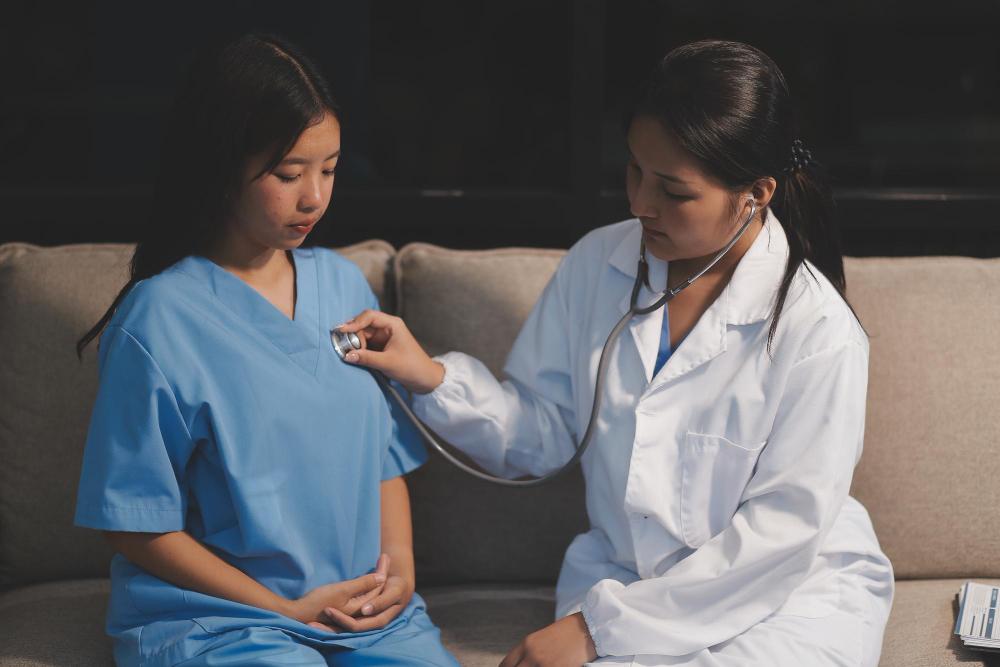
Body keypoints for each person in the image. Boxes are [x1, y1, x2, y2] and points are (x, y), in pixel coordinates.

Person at [336, 40, 894, 667]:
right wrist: (433, 378)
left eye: (673, 192)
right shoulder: (596, 264)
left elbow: (780, 537)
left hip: (785, 596)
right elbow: (546, 433)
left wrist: (595, 631)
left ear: (756, 194)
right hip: (627, 579)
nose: (639, 205)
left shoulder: (818, 331)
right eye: (634, 171)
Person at [73, 32, 459, 667]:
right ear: (221, 165)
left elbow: (382, 458)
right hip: (224, 619)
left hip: (366, 615)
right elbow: (135, 523)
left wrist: (401, 570)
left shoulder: (344, 286)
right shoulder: (158, 319)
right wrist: (281, 608)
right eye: (289, 174)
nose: (315, 197)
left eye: (329, 169)